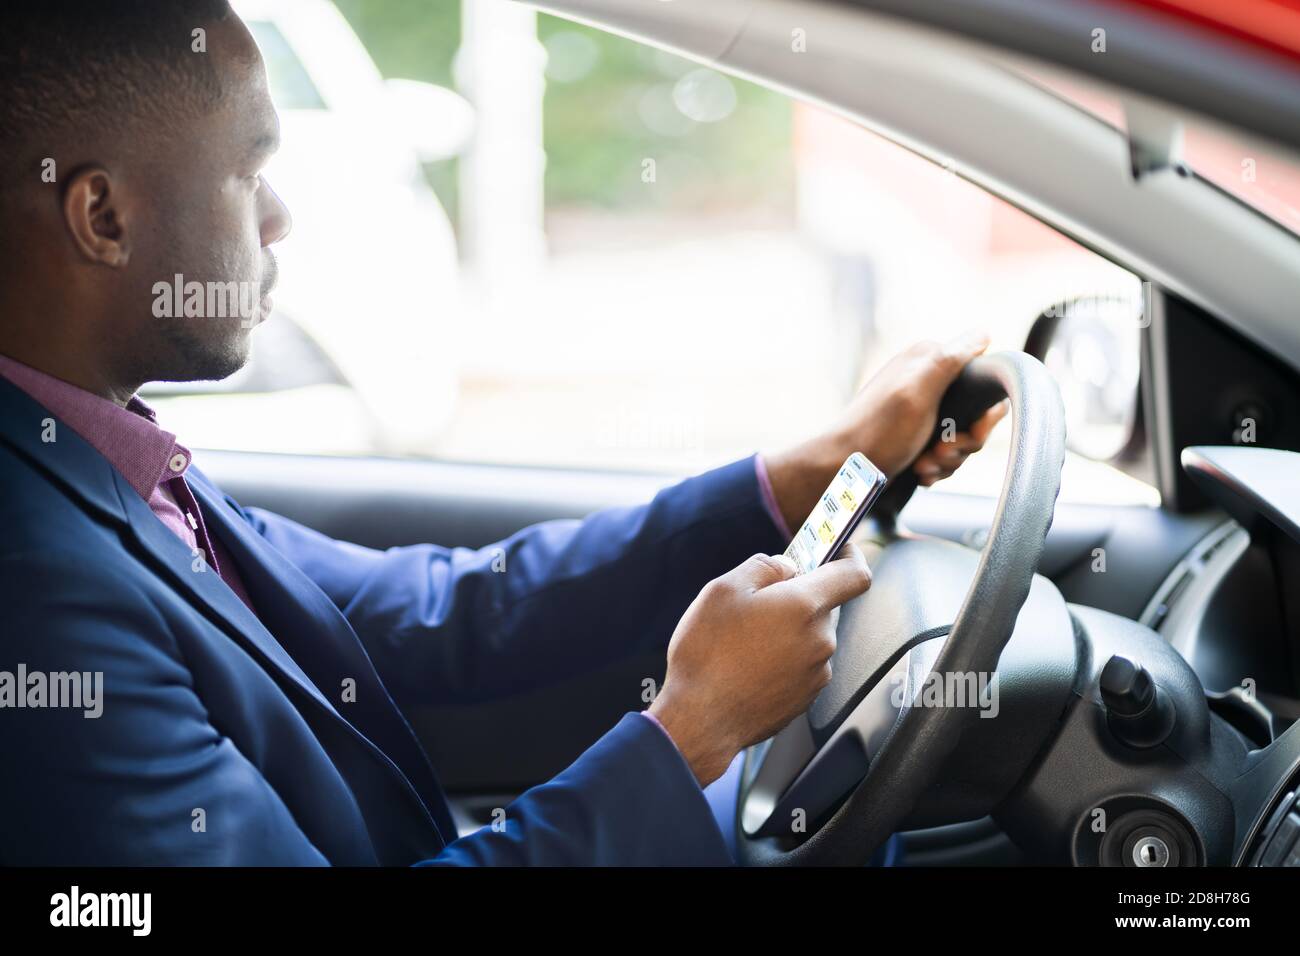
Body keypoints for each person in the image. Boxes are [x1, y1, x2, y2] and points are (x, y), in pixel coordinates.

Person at [0, 2, 1005, 865]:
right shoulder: (38, 592)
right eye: (245, 169)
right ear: (103, 215)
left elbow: (435, 611)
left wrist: (804, 475)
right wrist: (689, 732)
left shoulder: (102, 459)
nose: (277, 216)